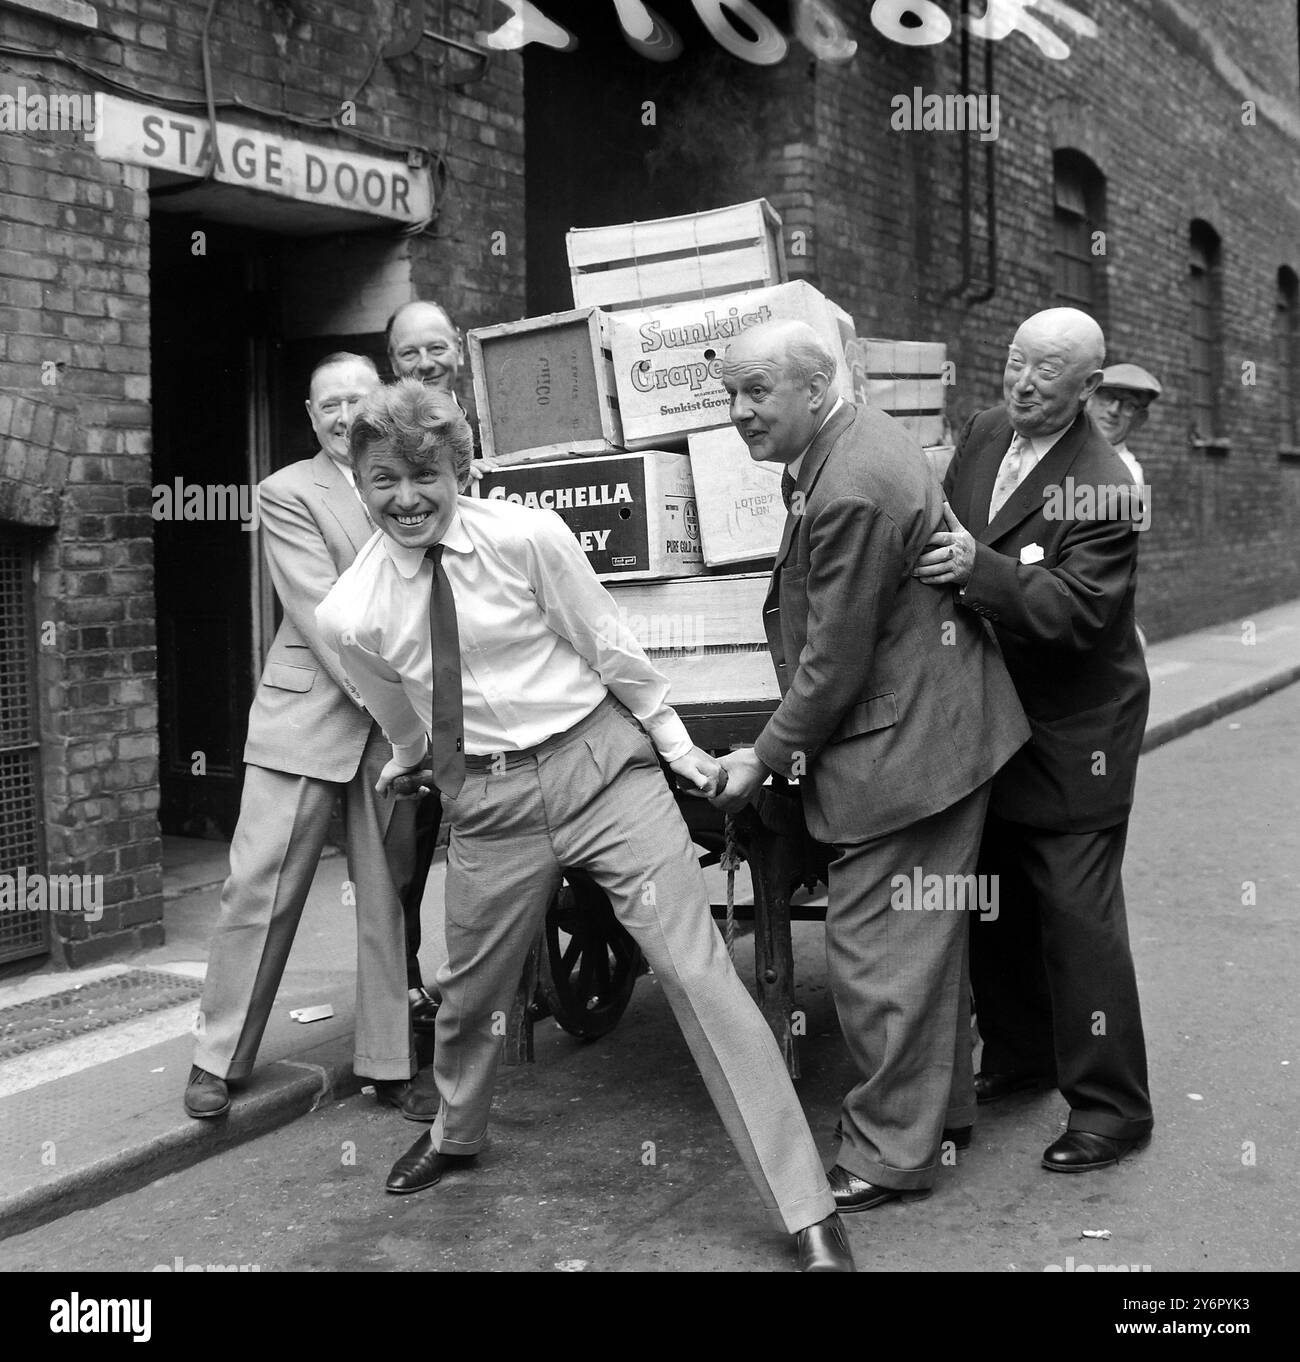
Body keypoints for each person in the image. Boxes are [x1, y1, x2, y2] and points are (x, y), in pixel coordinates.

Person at [316, 378, 855, 1272]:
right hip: (488, 802)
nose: (405, 499)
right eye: (382, 481)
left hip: (601, 769)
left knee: (697, 972)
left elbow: (608, 643)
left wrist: (679, 748)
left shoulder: (528, 537)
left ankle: (805, 1207)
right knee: (470, 994)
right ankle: (456, 1132)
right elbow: (394, 704)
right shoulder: (351, 612)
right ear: (356, 481)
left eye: (424, 475)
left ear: (460, 469)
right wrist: (417, 757)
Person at [710, 321, 1029, 1215]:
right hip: (941, 731)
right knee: (921, 945)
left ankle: (888, 1154)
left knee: (874, 957)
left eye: (756, 393)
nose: (739, 412)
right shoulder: (851, 438)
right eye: (731, 393)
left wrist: (764, 759)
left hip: (907, 749)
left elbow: (833, 665)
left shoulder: (848, 484)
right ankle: (941, 1117)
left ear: (815, 389)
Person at [914, 306, 1155, 1173]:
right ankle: (1024, 1057)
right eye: (1015, 362)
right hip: (990, 718)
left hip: (1074, 734)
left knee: (1076, 920)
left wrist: (981, 571)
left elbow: (1078, 613)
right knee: (996, 903)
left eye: (1045, 373)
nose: (1021, 382)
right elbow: (946, 517)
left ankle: (1112, 1107)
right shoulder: (984, 431)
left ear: (1088, 387)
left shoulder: (1106, 483)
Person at [184, 353, 416, 1119]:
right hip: (314, 710)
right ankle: (219, 1057)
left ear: (381, 402)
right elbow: (325, 615)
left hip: (395, 726)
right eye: (329, 406)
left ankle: (390, 1061)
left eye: (358, 398)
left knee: (384, 894)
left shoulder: (413, 478)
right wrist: (403, 709)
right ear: (311, 420)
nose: (345, 415)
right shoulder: (288, 491)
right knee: (260, 883)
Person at [382, 300, 467, 1067]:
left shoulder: (484, 427)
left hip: (487, 679)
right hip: (417, 687)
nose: (425, 362)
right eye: (410, 353)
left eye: (436, 347)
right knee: (406, 856)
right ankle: (412, 1005)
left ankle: (474, 993)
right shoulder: (387, 441)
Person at [1087, 362, 1162, 489]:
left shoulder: (1128, 476)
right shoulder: (1057, 446)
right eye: (1107, 397)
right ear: (1089, 399)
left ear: (1140, 419)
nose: (1113, 410)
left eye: (1129, 405)